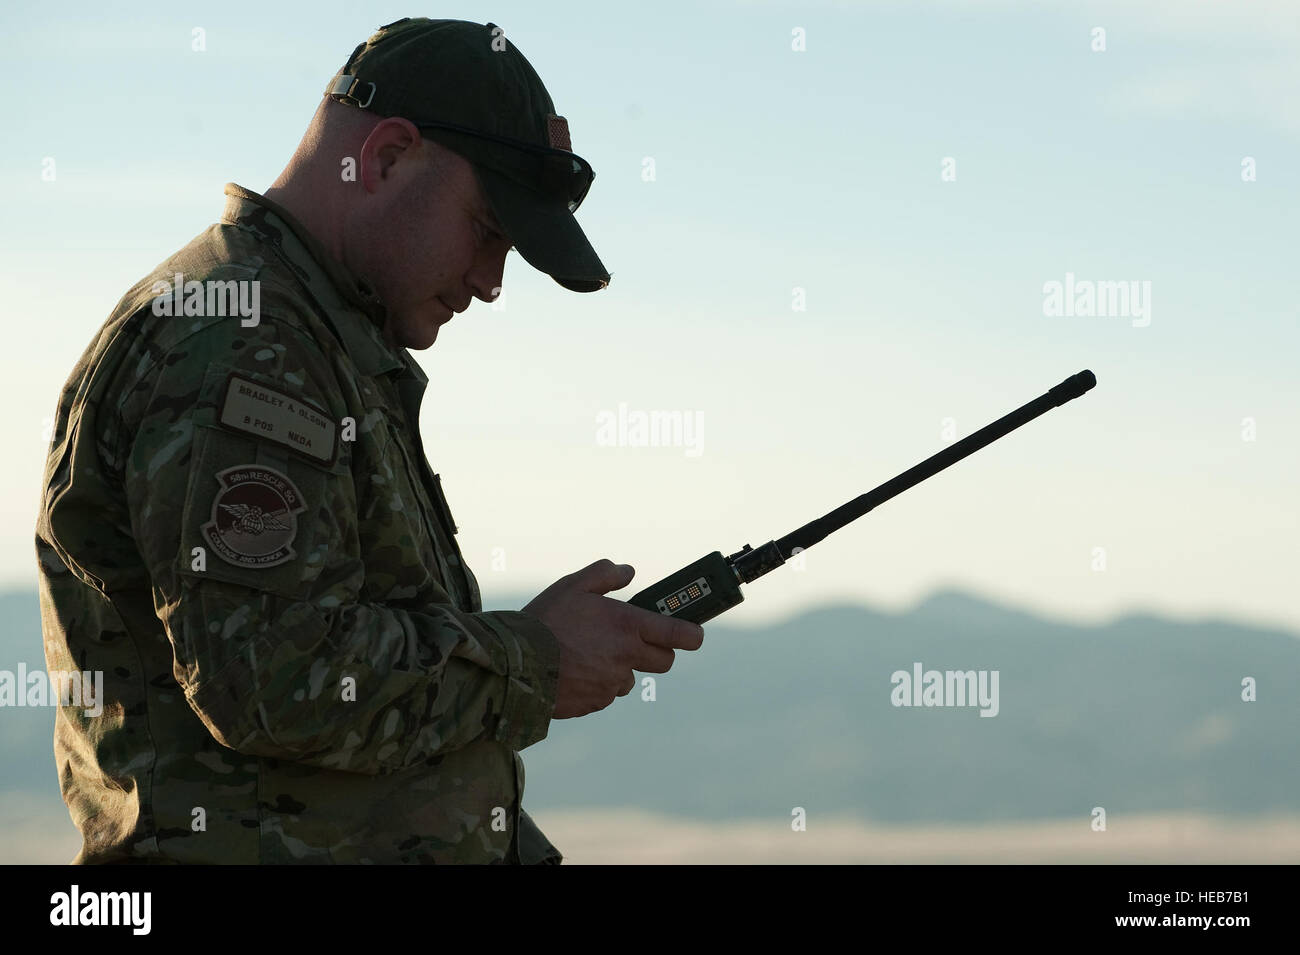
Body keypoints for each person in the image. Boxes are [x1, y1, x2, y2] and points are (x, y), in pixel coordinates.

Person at [34, 17, 704, 865]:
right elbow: (275, 681)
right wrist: (533, 659)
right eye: (486, 230)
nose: (491, 284)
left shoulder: (318, 335)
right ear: (386, 157)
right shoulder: (243, 338)